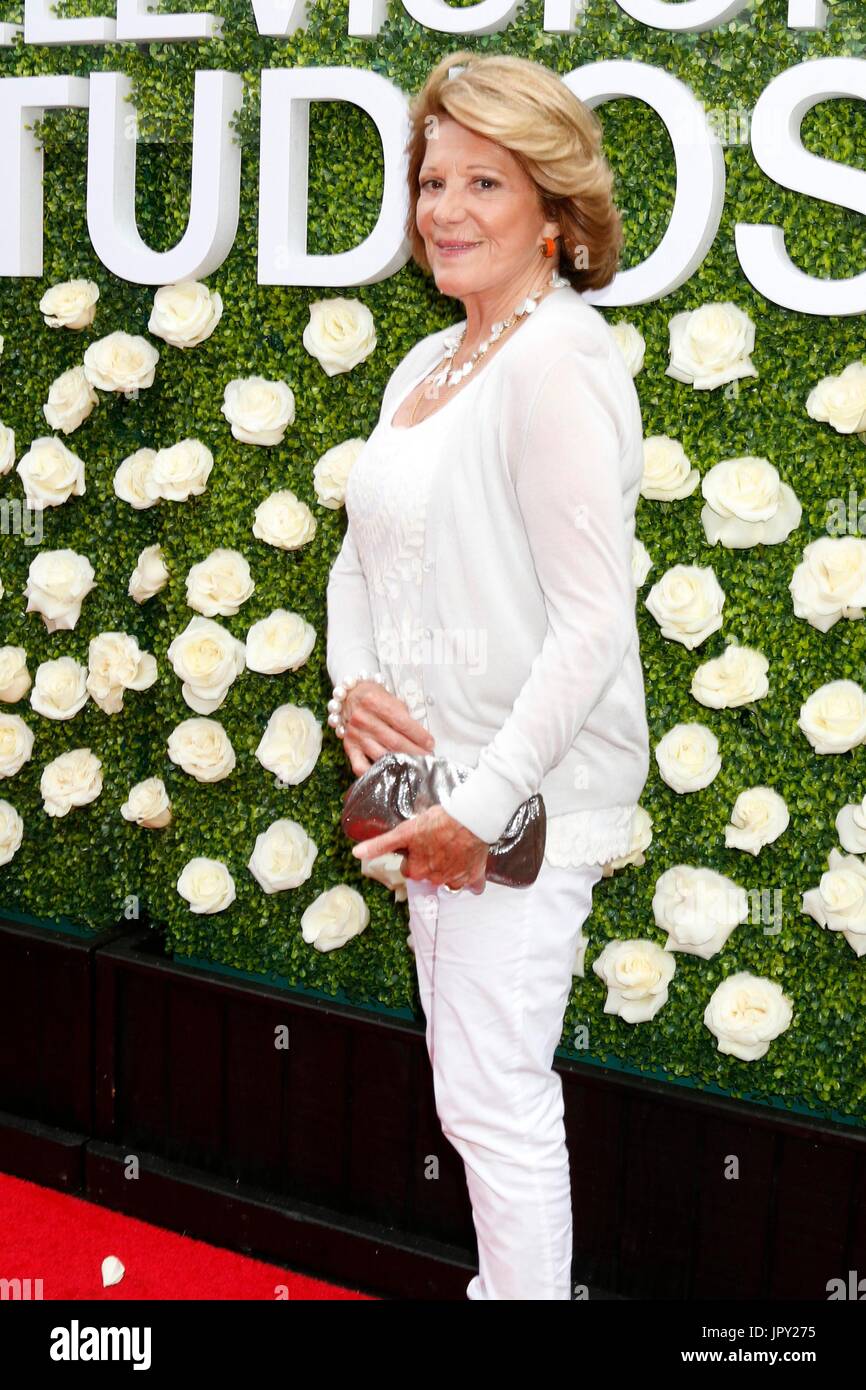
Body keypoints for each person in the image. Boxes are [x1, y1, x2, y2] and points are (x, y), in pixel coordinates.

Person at [325, 50, 650, 1300]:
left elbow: (590, 624)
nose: (444, 210)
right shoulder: (427, 365)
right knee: (471, 1090)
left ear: (554, 218)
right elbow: (358, 563)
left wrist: (480, 804)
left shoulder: (556, 359)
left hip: (518, 798)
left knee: (494, 1098)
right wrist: (354, 689)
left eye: (484, 183)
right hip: (428, 786)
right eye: (431, 178)